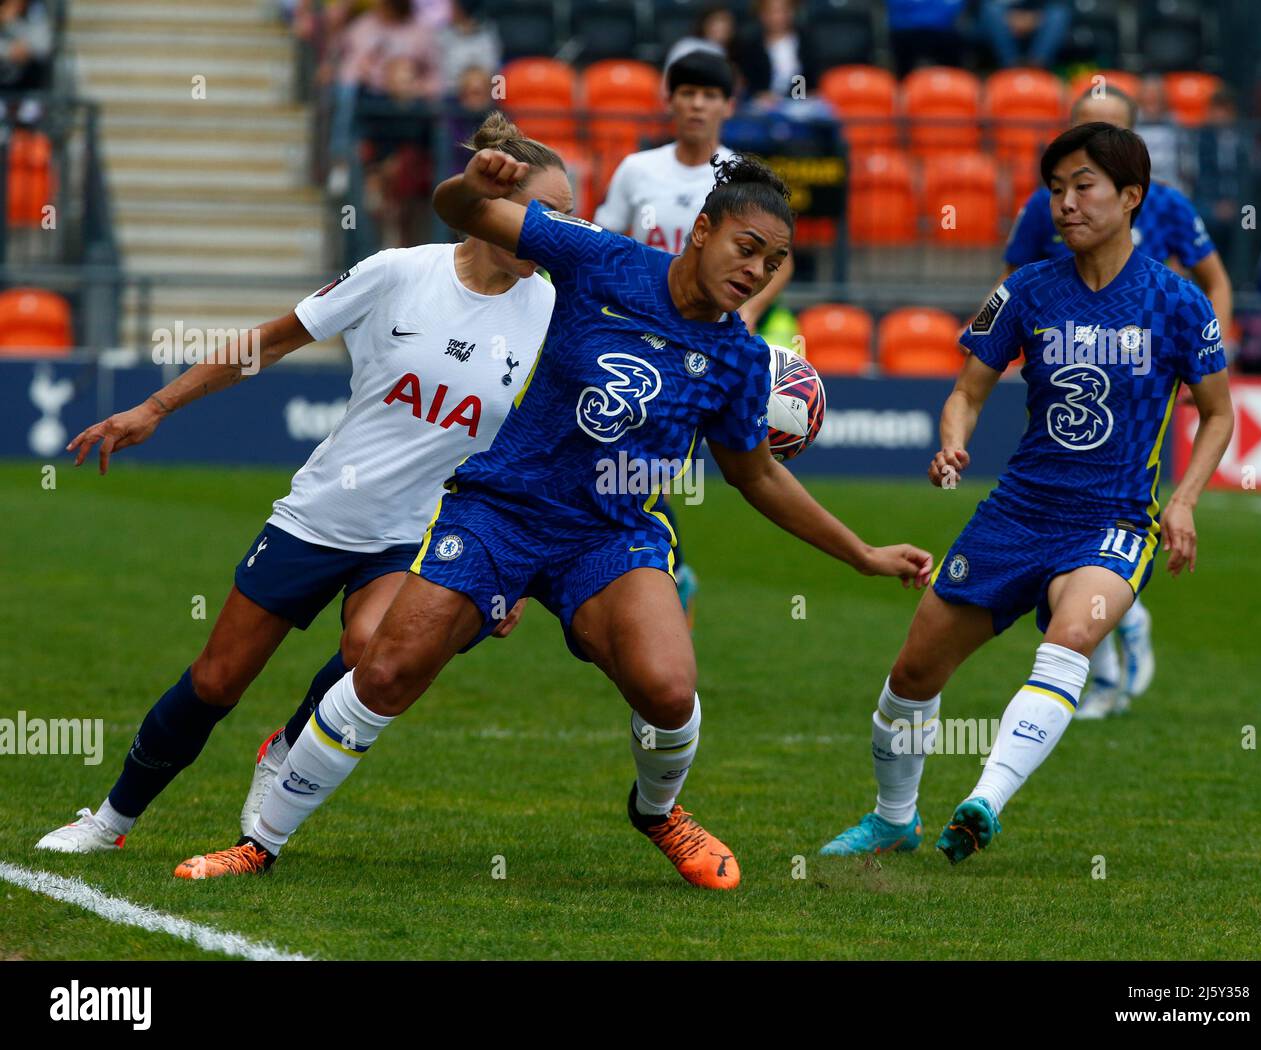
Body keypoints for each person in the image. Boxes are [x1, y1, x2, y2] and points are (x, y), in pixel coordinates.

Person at [174, 148, 933, 890]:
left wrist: (861, 554)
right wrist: (470, 184)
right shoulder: (602, 259)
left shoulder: (737, 360)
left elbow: (756, 474)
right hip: (501, 510)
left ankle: (658, 813)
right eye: (747, 248)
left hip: (610, 534)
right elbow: (460, 211)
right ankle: (257, 844)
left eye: (773, 262)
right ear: (702, 231)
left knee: (668, 690)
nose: (756, 271)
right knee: (388, 668)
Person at [34, 115, 568, 856]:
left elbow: (551, 445)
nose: (561, 234)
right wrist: (154, 407)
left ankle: (287, 747)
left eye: (570, 218)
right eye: (549, 215)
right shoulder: (397, 272)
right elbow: (275, 339)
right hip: (324, 513)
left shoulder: (554, 314)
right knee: (217, 681)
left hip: (424, 532)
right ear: (496, 209)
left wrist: (521, 569)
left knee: (372, 650)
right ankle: (111, 821)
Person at [820, 122, 1234, 862]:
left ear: (1131, 196)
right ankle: (893, 818)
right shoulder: (1024, 289)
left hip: (1113, 521)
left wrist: (1185, 499)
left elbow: (1219, 414)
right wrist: (953, 438)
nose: (1064, 204)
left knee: (1073, 634)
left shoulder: (1178, 304)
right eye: (1055, 189)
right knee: (914, 673)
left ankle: (986, 800)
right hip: (1015, 514)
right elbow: (967, 391)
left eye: (1083, 187)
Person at [999, 85, 1234, 719]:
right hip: (1067, 376)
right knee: (1045, 568)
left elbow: (1213, 281)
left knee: (1097, 544)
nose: (1070, 197)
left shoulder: (1172, 208)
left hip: (1140, 371)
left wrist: (1208, 350)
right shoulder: (1040, 208)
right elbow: (1011, 277)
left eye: (1109, 131)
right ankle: (1109, 642)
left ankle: (1107, 646)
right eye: (1083, 128)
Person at [595, 49, 796, 624]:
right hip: (637, 338)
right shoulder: (638, 171)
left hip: (708, 347)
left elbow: (782, 258)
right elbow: (606, 244)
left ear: (727, 105)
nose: (697, 104)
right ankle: (663, 572)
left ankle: (661, 573)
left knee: (645, 462)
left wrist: (750, 311)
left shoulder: (741, 177)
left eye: (709, 94)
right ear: (671, 101)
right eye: (686, 92)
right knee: (626, 457)